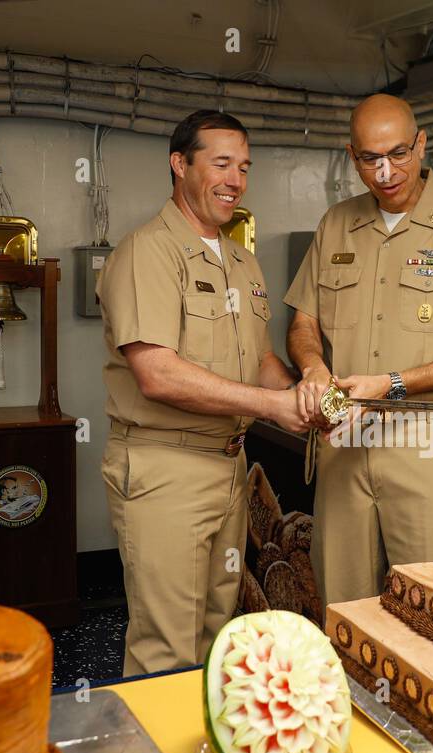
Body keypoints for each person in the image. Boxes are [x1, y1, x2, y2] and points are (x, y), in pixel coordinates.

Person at [284, 93, 433, 607]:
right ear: (352, 157)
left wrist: (391, 383)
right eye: (370, 159)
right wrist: (312, 368)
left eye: (399, 154)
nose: (386, 171)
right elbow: (303, 322)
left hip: (428, 440)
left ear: (421, 144)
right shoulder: (336, 224)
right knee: (345, 610)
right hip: (344, 445)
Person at [99, 110, 310, 675]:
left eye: (243, 168)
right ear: (180, 165)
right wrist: (272, 408)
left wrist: (307, 396)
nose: (235, 180)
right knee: (166, 647)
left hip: (228, 469)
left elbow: (260, 360)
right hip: (165, 470)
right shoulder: (149, 252)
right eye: (220, 164)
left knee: (219, 634)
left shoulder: (242, 261)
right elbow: (158, 375)